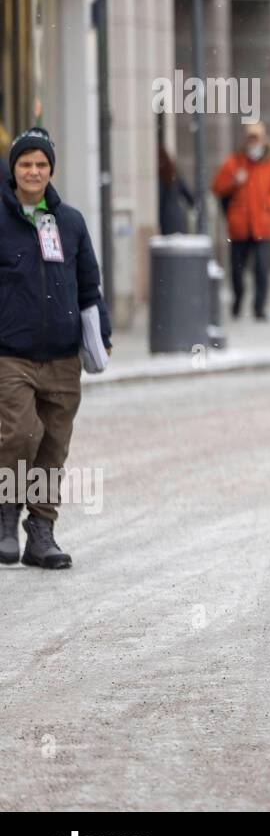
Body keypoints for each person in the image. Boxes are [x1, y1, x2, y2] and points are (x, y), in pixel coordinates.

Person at [0, 127, 111, 570]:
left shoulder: (70, 222)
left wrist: (99, 334)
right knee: (21, 433)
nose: (33, 171)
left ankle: (40, 532)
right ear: (14, 170)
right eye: (25, 164)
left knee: (54, 446)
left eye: (41, 164)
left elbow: (89, 286)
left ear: (51, 170)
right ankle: (6, 515)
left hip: (63, 357)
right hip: (11, 353)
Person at [212, 122, 270, 321]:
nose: (253, 143)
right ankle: (237, 301)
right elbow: (217, 187)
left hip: (262, 226)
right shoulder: (235, 162)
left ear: (263, 141)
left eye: (257, 139)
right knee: (238, 270)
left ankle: (259, 307)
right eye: (251, 139)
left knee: (261, 269)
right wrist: (234, 182)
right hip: (240, 226)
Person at [157, 145, 195, 236]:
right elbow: (190, 197)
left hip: (166, 221)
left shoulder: (160, 180)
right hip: (179, 220)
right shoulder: (175, 176)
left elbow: (160, 202)